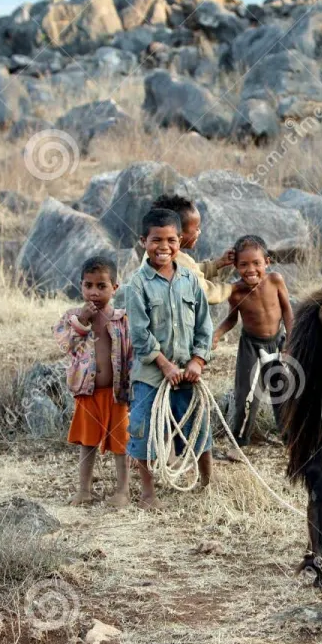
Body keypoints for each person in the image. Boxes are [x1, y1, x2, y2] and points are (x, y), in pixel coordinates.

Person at [121, 208, 214, 509]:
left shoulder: (190, 280)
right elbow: (139, 332)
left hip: (188, 373)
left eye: (171, 240)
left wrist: (197, 360)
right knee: (144, 429)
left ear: (181, 240)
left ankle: (207, 484)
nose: (164, 246)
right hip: (152, 375)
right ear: (143, 241)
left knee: (198, 426)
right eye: (156, 240)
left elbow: (204, 324)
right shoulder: (138, 284)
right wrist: (165, 364)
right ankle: (149, 494)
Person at [53, 255, 133, 508]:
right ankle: (84, 490)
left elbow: (132, 353)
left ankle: (123, 491)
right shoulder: (71, 318)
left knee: (122, 442)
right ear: (81, 286)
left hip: (116, 393)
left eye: (101, 286)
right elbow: (67, 346)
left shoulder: (122, 320)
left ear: (115, 288)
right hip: (87, 393)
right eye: (88, 286)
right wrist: (83, 322)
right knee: (87, 442)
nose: (94, 292)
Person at [212, 235, 294, 446]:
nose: (251, 269)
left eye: (256, 263)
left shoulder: (275, 280)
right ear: (235, 266)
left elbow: (287, 310)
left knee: (282, 390)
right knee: (247, 396)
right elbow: (231, 319)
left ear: (267, 262)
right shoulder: (236, 292)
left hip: (277, 342)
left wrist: (290, 340)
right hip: (251, 346)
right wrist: (217, 334)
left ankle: (289, 436)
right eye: (243, 264)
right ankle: (240, 441)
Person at [117, 194, 233, 306]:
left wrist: (217, 264)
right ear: (178, 232)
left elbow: (189, 271)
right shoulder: (182, 260)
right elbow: (206, 293)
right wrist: (233, 288)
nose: (199, 232)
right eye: (196, 228)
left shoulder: (153, 254)